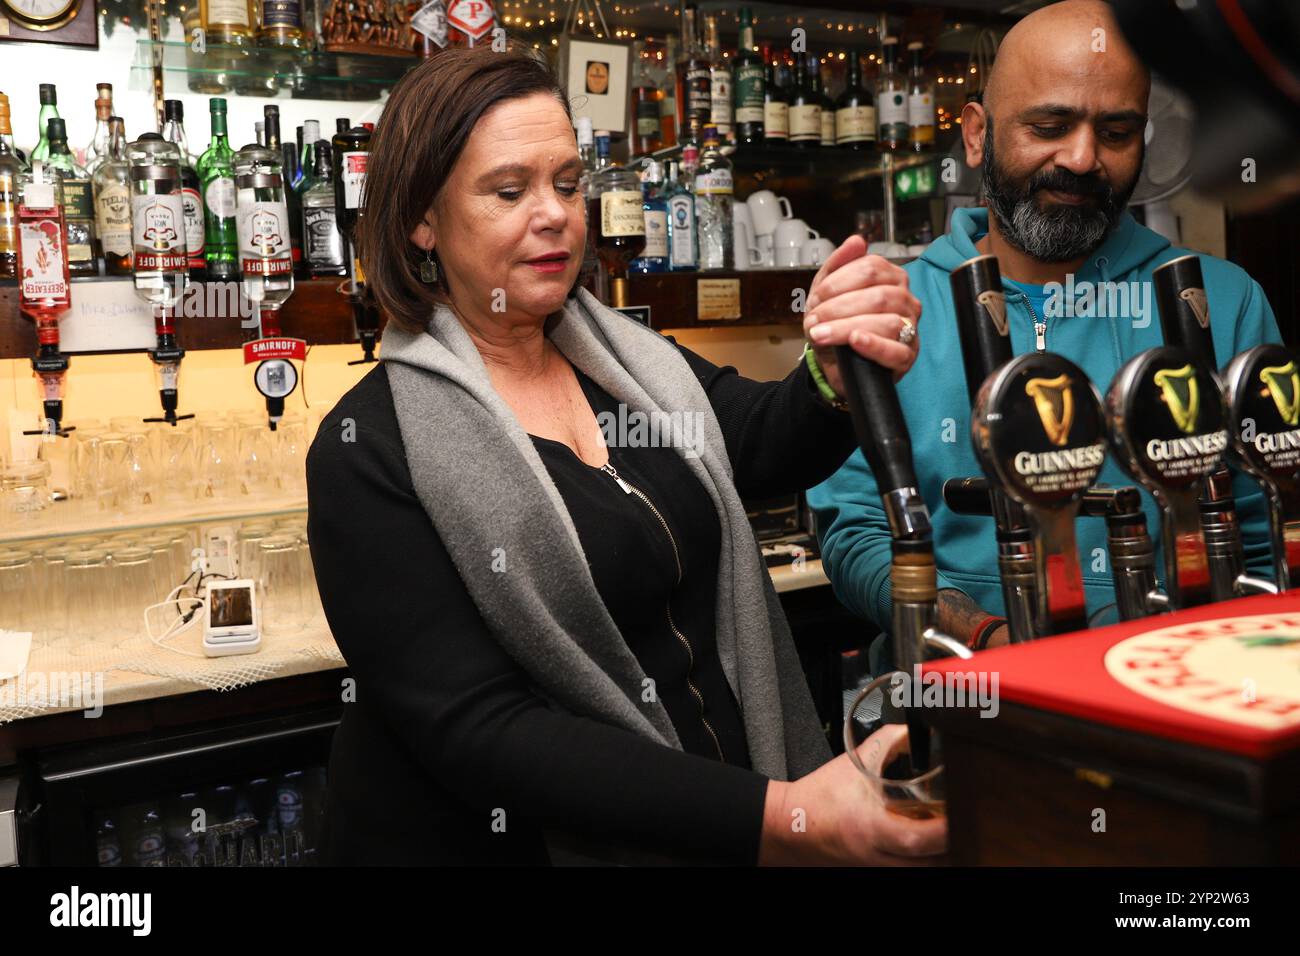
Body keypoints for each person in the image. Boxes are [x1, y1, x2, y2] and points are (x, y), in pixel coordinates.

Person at [306, 43, 935, 865]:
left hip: (716, 816)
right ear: (423, 217)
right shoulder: (371, 448)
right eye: (509, 190)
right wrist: (778, 817)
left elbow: (758, 436)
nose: (555, 214)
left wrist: (834, 365)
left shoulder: (633, 363)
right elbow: (483, 731)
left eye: (568, 184)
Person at [808, 0, 1283, 670]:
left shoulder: (1222, 302)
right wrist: (987, 640)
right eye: (1051, 125)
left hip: (1178, 689)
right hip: (963, 702)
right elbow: (856, 533)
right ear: (976, 134)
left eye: (1117, 132)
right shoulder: (893, 308)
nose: (1083, 158)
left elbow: (1257, 533)